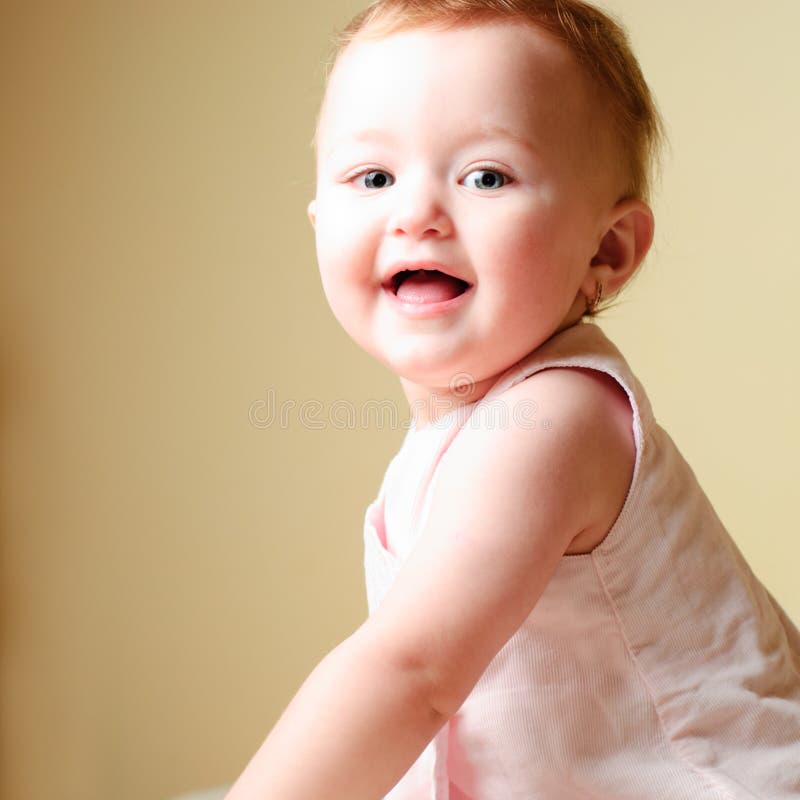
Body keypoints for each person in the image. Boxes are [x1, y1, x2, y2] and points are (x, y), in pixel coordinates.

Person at [226, 1, 800, 797]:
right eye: (375, 177)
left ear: (606, 249)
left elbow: (410, 674)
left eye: (486, 176)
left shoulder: (557, 419)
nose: (416, 214)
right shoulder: (455, 439)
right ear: (320, 221)